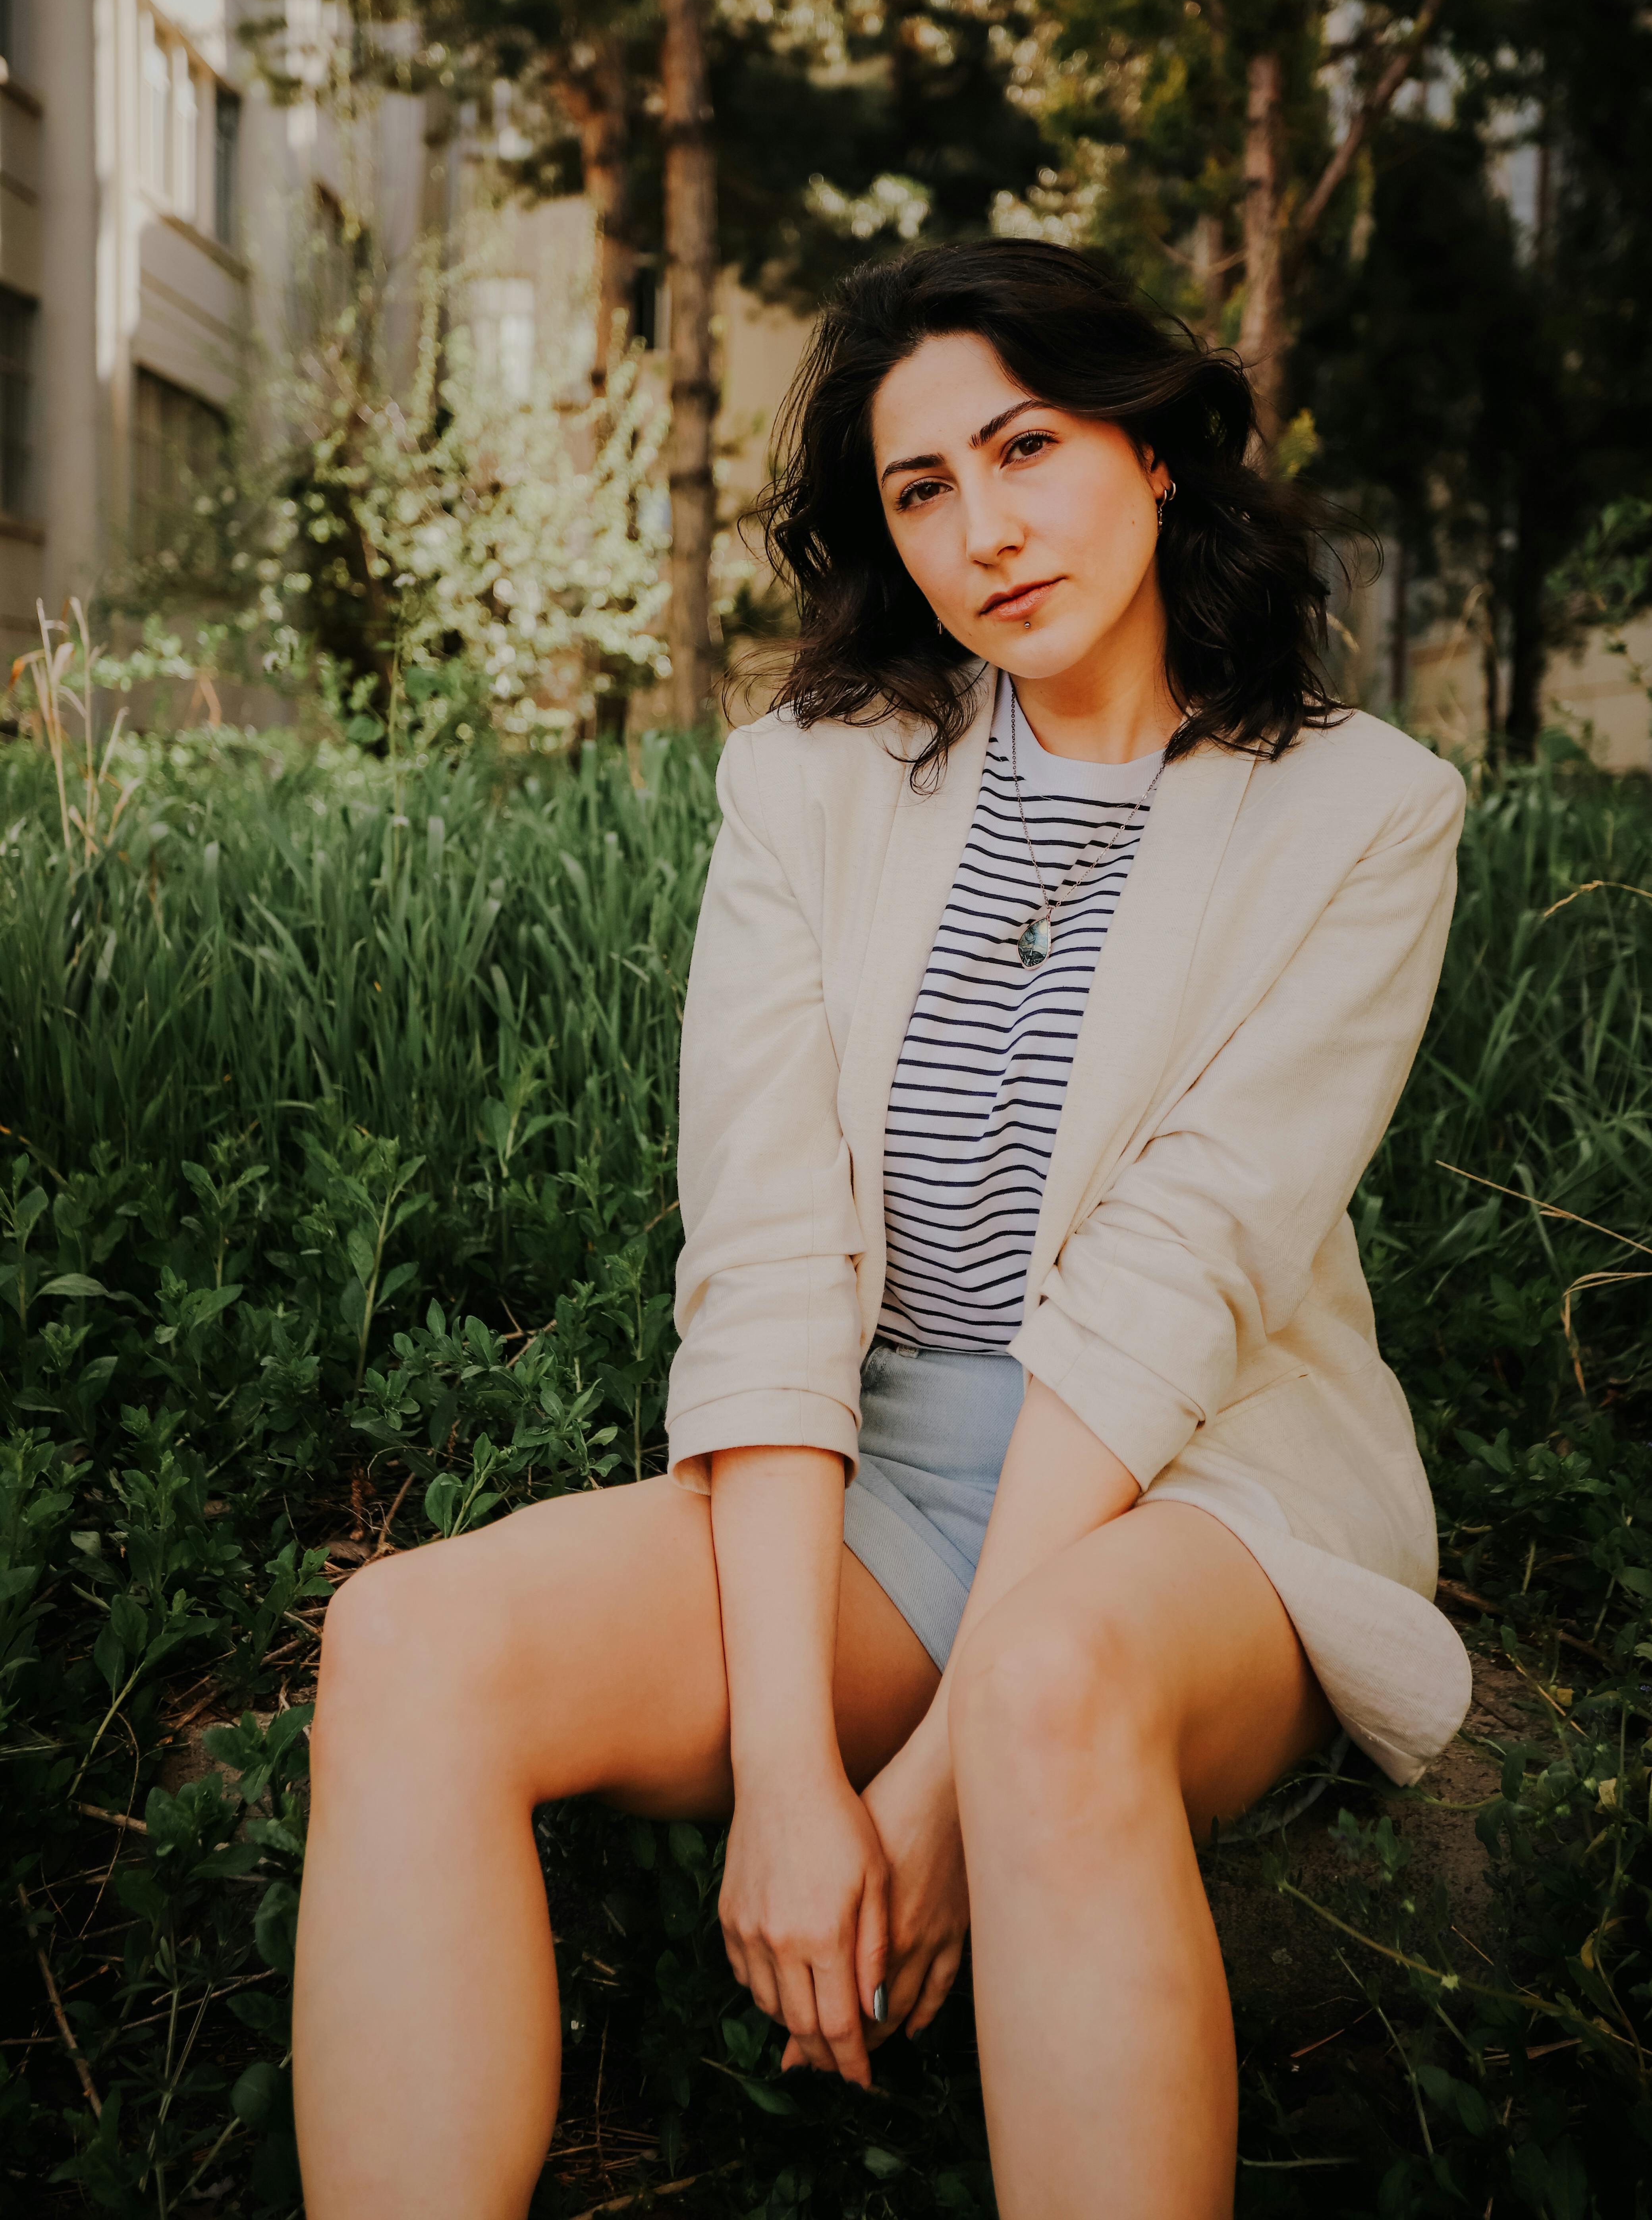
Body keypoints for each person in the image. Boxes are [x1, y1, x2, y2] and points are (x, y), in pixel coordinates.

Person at [292, 242, 1472, 2220]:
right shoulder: (809, 786)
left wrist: (923, 1800)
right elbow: (762, 1258)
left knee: (1040, 1699)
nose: (986, 529)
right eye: (923, 489)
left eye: (1026, 448)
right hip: (873, 1482)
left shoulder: (1357, 813)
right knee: (406, 1638)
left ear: (1154, 453)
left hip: (1191, 1490)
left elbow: (1179, 1281)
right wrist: (784, 1781)